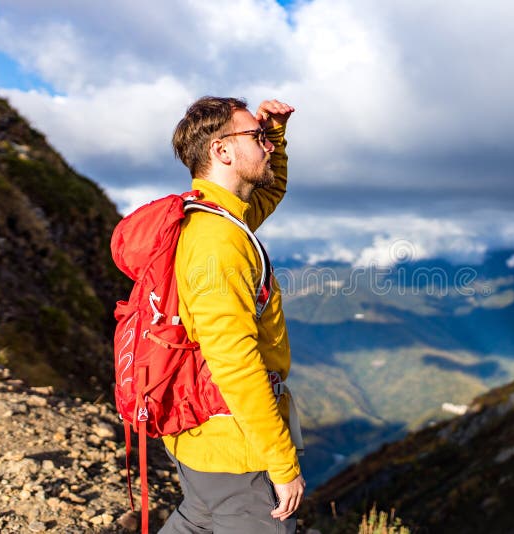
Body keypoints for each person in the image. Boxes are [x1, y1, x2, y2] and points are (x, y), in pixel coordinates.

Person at [160, 96, 305, 533]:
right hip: (237, 446)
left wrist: (275, 134)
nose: (265, 145)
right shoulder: (219, 242)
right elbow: (236, 364)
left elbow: (271, 187)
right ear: (222, 150)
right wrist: (281, 464)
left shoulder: (217, 217)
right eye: (255, 136)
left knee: (199, 519)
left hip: (202, 437)